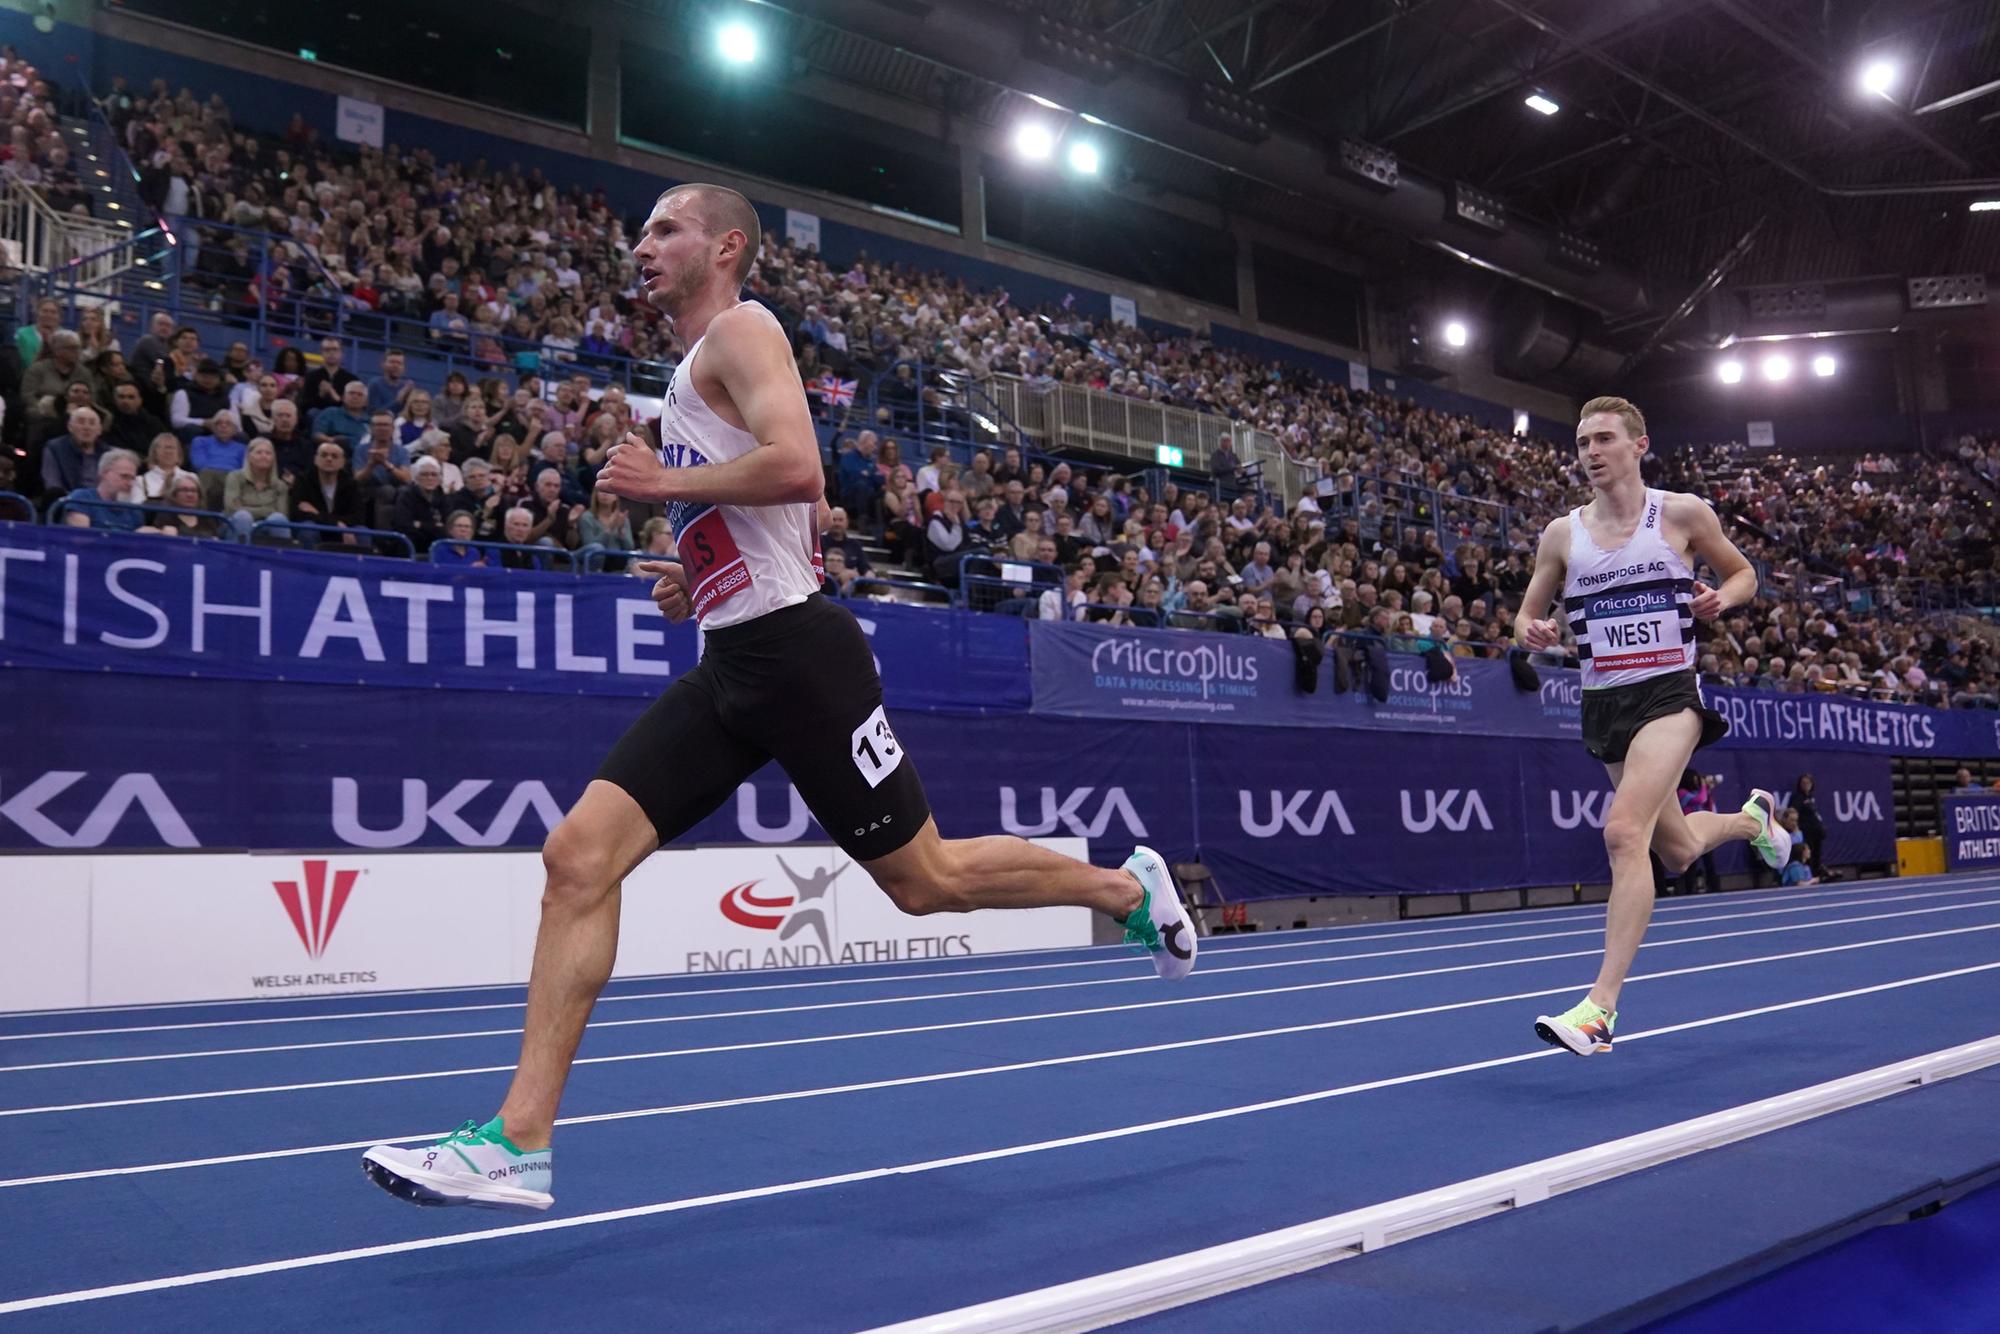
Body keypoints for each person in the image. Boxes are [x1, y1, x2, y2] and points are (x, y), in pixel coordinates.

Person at [362, 182, 1197, 1212]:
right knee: (576, 855)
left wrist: (662, 491)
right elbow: (784, 525)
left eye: (663, 228)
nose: (640, 244)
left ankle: (1124, 889)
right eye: (639, 229)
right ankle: (518, 1139)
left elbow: (800, 467)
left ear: (726, 246)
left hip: (798, 662)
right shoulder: (687, 375)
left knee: (924, 879)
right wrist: (696, 574)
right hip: (732, 663)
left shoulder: (744, 327)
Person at [1519, 396, 1790, 1058]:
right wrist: (1535, 630)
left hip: (1671, 692)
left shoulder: (1680, 513)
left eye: (1604, 438)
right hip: (1604, 701)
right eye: (1583, 441)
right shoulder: (1562, 534)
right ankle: (1754, 822)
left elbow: (1743, 572)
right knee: (1674, 850)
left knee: (1622, 832)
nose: (1590, 451)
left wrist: (1721, 597)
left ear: (1638, 446)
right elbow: (1525, 618)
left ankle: (1600, 1009)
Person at [1790, 774, 1830, 883]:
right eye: (1803, 783)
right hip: (1806, 832)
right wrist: (1797, 830)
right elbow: (1794, 814)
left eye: (1808, 783)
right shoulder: (1798, 798)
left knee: (1817, 856)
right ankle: (1809, 877)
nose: (1806, 785)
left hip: (1816, 832)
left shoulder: (1811, 798)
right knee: (1808, 856)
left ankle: (1817, 877)